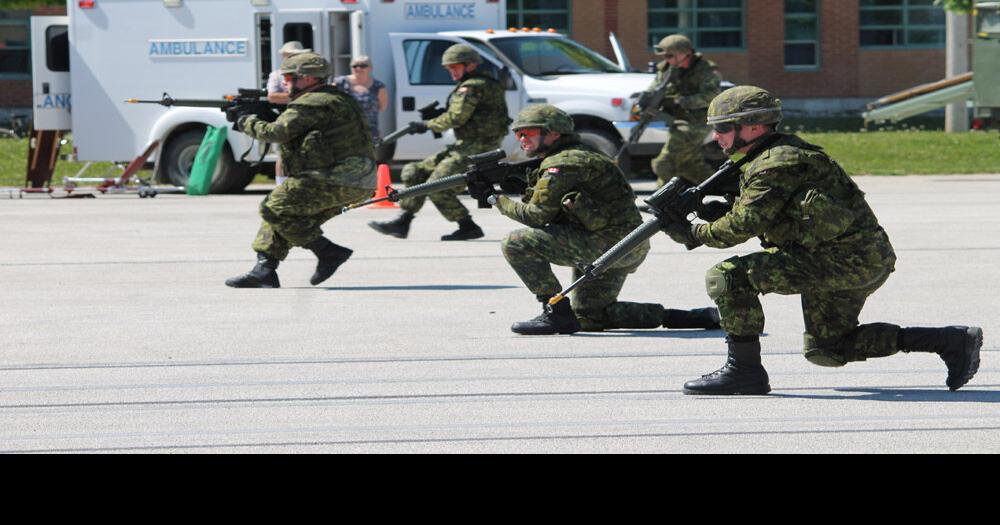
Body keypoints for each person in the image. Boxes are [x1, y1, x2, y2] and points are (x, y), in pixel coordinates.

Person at [659, 86, 982, 394]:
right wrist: (713, 210)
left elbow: (739, 228)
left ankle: (744, 372)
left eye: (723, 127)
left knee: (728, 276)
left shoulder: (776, 163)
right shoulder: (764, 157)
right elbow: (766, 214)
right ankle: (947, 341)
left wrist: (691, 232)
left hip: (845, 260)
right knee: (828, 349)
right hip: (849, 257)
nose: (716, 136)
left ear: (754, 127)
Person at [492, 104, 721, 335]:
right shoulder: (582, 154)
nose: (522, 139)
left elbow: (536, 216)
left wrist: (496, 200)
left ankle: (555, 312)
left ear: (553, 133)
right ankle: (690, 317)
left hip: (606, 245)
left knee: (516, 243)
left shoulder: (561, 163)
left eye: (528, 133)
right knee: (589, 316)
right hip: (627, 245)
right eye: (518, 134)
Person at [225, 53, 376, 289]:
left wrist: (245, 121)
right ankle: (264, 269)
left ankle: (328, 252)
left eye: (288, 77)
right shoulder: (336, 98)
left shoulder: (313, 102)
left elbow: (277, 133)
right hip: (358, 182)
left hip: (337, 177)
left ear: (306, 78)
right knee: (287, 212)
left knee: (273, 207)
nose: (285, 83)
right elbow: (297, 125)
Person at [368, 44, 510, 241]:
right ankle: (403, 221)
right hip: (465, 144)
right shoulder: (478, 83)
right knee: (413, 171)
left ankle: (467, 226)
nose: (451, 72)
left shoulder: (473, 86)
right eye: (449, 68)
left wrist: (427, 124)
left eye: (455, 67)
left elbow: (456, 118)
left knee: (437, 186)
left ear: (469, 65)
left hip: (478, 147)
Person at [640, 34, 722, 188]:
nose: (667, 59)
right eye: (664, 56)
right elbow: (655, 88)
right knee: (689, 165)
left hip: (700, 122)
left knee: (664, 162)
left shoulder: (706, 70)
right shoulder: (666, 69)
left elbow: (711, 96)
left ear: (685, 53)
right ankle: (723, 187)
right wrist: (649, 101)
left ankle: (661, 197)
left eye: (670, 55)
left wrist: (680, 101)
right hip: (678, 121)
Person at [266, 41, 311, 185]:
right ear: (284, 57)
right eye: (290, 56)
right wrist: (298, 96)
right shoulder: (277, 75)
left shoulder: (307, 74)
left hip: (306, 117)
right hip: (285, 118)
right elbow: (272, 96)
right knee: (283, 154)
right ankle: (280, 184)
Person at [332, 55, 388, 144]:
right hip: (343, 130)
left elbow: (382, 107)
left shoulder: (378, 86)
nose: (358, 68)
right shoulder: (340, 83)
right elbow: (330, 102)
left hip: (369, 131)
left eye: (363, 66)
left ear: (370, 68)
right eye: (355, 66)